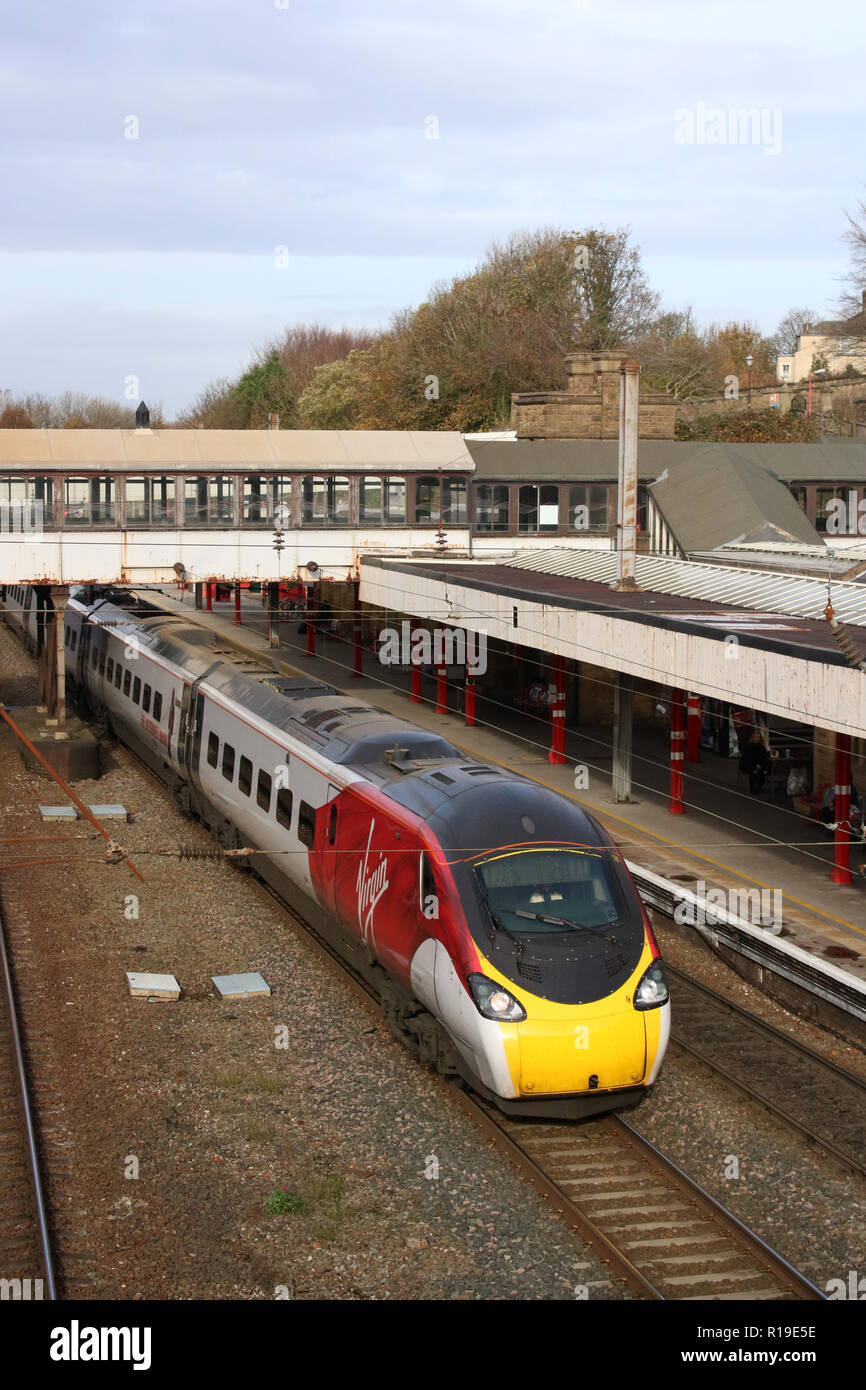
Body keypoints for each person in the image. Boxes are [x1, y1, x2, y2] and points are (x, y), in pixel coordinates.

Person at [739, 730, 772, 795]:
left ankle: (759, 787)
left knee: (764, 771)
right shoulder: (749, 746)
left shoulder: (761, 747)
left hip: (758, 764)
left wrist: (764, 766)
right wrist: (754, 766)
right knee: (754, 771)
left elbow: (764, 756)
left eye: (759, 737)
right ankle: (752, 788)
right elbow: (748, 758)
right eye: (756, 737)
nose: (758, 738)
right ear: (753, 738)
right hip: (747, 764)